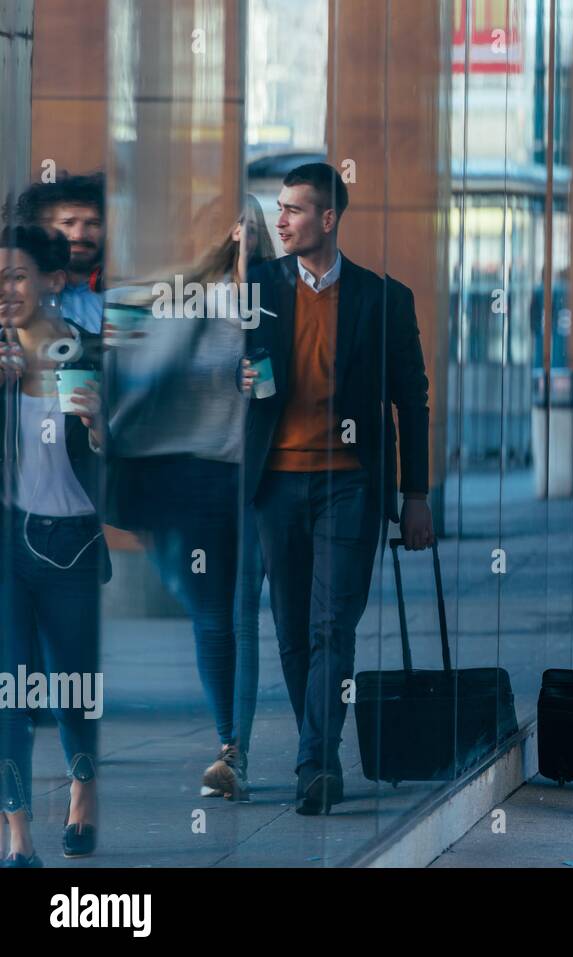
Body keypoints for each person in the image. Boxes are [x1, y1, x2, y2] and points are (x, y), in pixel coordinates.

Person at [239, 163, 433, 814]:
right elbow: (225, 371)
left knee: (331, 626)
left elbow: (413, 399)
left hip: (349, 482)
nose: (282, 219)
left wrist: (416, 494)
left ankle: (316, 764)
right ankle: (316, 747)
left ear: (329, 218)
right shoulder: (258, 287)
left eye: (295, 209)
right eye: (279, 208)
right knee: (293, 631)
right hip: (275, 482)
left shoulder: (383, 300)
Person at [104, 195, 274, 800]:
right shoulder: (188, 300)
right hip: (195, 480)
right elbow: (120, 328)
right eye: (242, 225)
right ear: (227, 236)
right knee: (212, 617)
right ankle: (229, 743)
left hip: (254, 479)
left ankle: (238, 751)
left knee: (242, 614)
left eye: (260, 227)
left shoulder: (270, 308)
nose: (250, 235)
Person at [0, 226, 110, 866]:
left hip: (69, 541)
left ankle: (84, 791)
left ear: (52, 281)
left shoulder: (89, 354)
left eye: (16, 276)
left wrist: (100, 426)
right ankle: (17, 839)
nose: (5, 291)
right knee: (10, 692)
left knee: (70, 688)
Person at [17, 174, 106, 337]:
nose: (79, 235)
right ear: (41, 229)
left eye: (93, 224)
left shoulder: (121, 294)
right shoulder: (19, 294)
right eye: (68, 223)